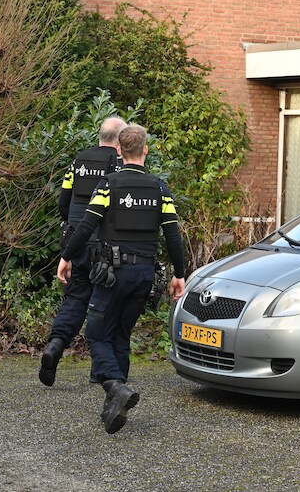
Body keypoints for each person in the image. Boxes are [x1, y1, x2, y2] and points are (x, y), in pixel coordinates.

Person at [56, 124, 186, 434]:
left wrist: (67, 257)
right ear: (145, 150)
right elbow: (173, 235)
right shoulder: (159, 189)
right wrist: (180, 274)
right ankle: (113, 407)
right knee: (121, 336)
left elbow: (86, 226)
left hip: (112, 274)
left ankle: (115, 388)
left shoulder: (108, 186)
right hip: (143, 276)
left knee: (98, 335)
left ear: (119, 151)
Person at [39, 116, 126, 387]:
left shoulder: (78, 161)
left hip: (76, 241)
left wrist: (75, 230)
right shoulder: (119, 165)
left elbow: (63, 201)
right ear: (121, 140)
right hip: (104, 244)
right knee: (106, 305)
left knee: (76, 298)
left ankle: (55, 346)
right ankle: (99, 370)